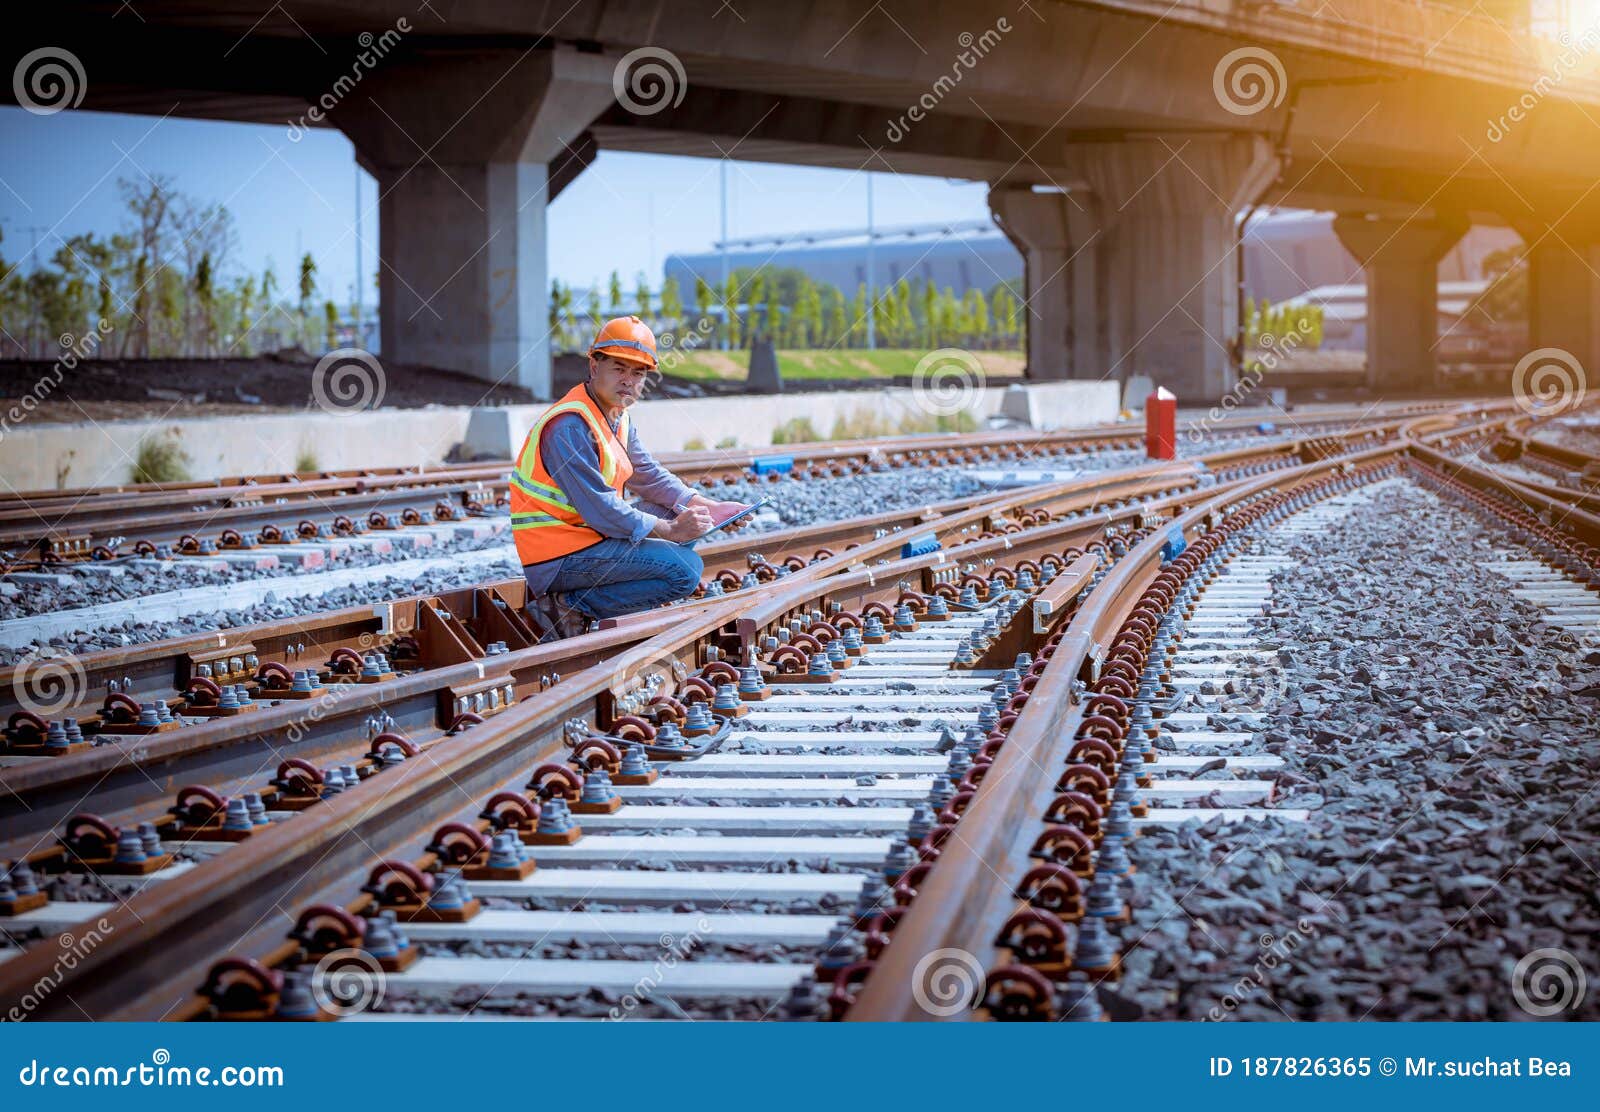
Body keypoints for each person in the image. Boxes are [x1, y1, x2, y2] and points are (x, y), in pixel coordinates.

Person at [510, 315, 751, 640]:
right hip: (558, 557)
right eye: (618, 369)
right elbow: (602, 510)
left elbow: (648, 476)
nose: (628, 380)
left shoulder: (616, 416)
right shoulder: (569, 426)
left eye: (638, 373)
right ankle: (570, 605)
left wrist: (709, 507)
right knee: (685, 571)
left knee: (682, 516)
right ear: (594, 366)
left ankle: (597, 601)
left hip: (587, 538)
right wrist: (671, 531)